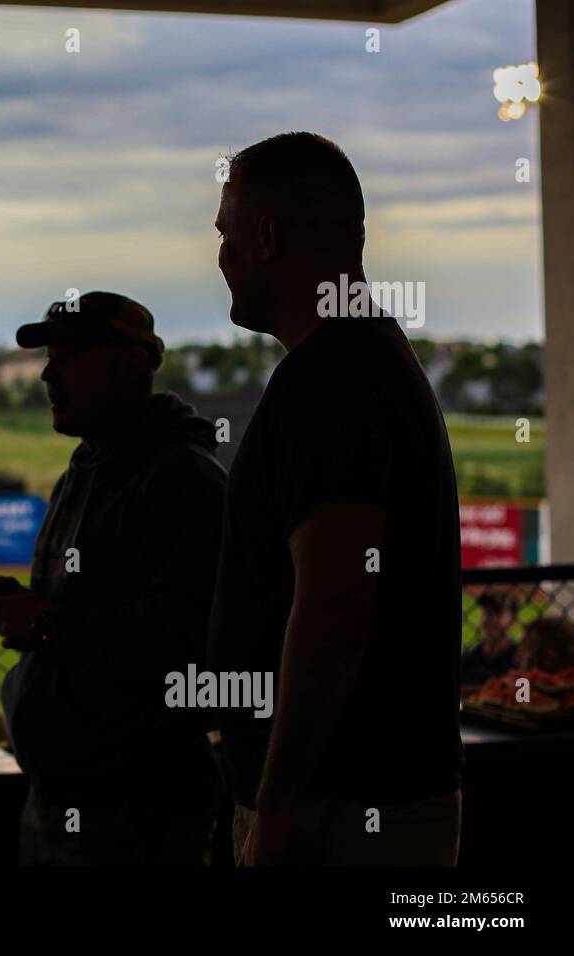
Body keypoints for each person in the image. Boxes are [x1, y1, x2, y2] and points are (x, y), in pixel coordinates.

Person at [207, 132, 464, 866]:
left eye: (225, 234)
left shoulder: (333, 377)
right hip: (354, 803)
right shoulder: (364, 355)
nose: (219, 257)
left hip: (337, 814)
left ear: (266, 236)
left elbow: (334, 605)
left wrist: (278, 808)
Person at [0, 291, 226, 866]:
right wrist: (27, 612)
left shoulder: (183, 479)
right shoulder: (88, 465)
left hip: (137, 810)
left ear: (133, 365)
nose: (48, 374)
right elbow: (84, 609)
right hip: (65, 794)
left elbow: (188, 637)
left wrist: (48, 622)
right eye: (49, 357)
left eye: (72, 356)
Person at [461, 591, 519, 687]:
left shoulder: (521, 659)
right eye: (487, 612)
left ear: (513, 619)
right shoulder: (467, 660)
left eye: (497, 612)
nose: (490, 619)